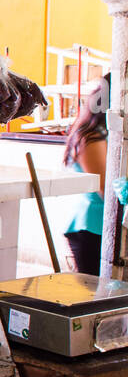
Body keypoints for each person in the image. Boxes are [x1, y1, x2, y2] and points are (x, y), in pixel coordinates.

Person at [63, 74, 108, 275]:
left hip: (104, 229)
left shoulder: (109, 135)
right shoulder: (92, 137)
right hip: (92, 229)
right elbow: (106, 190)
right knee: (97, 298)